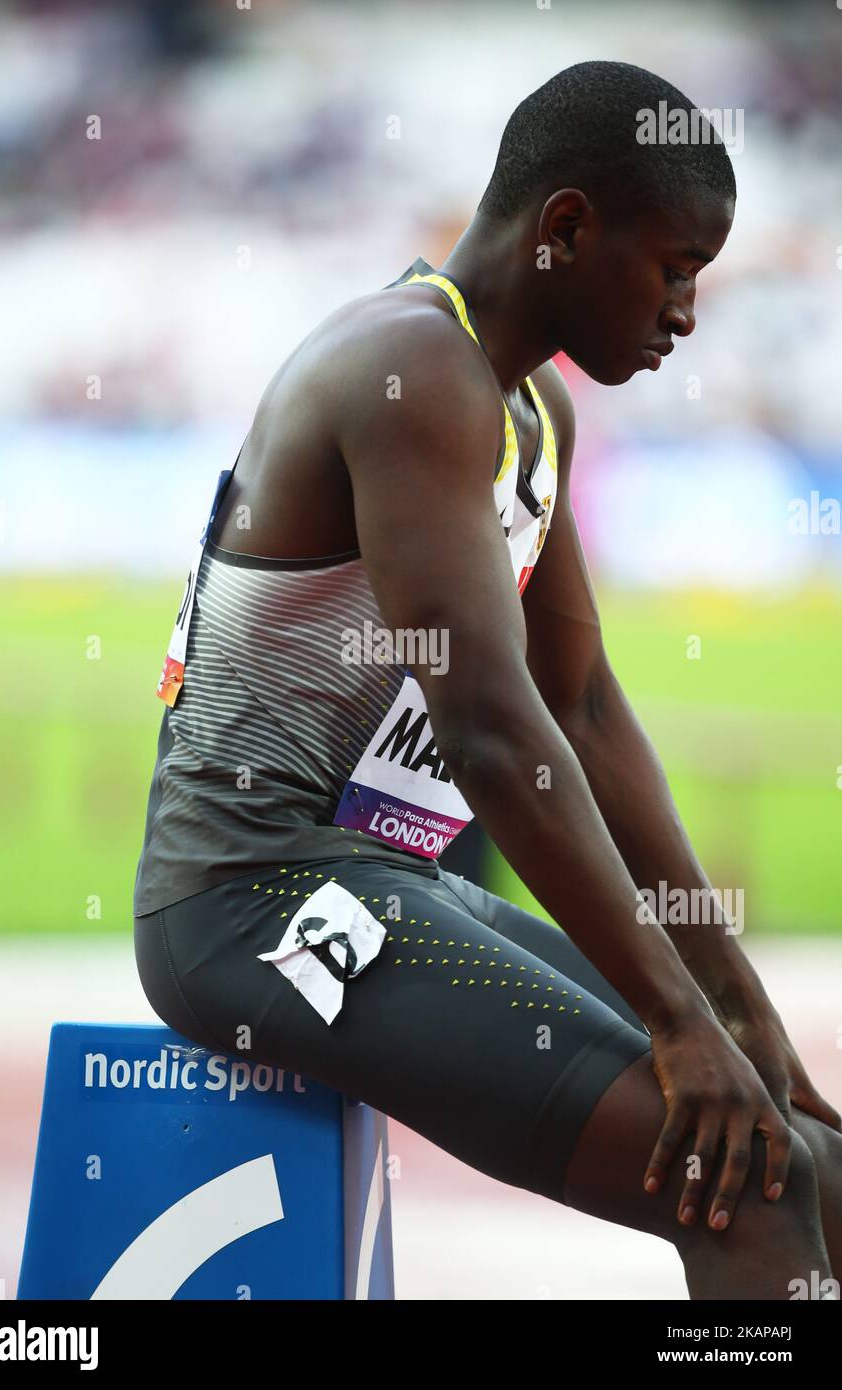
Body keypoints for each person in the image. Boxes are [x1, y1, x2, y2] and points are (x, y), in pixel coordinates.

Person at [133, 60, 841, 1299]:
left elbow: (581, 707)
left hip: (375, 884)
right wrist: (680, 1025)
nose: (686, 310)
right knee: (753, 1182)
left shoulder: (528, 406)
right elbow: (493, 728)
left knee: (817, 1164)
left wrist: (738, 1006)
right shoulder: (407, 376)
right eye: (675, 266)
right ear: (567, 227)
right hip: (250, 900)